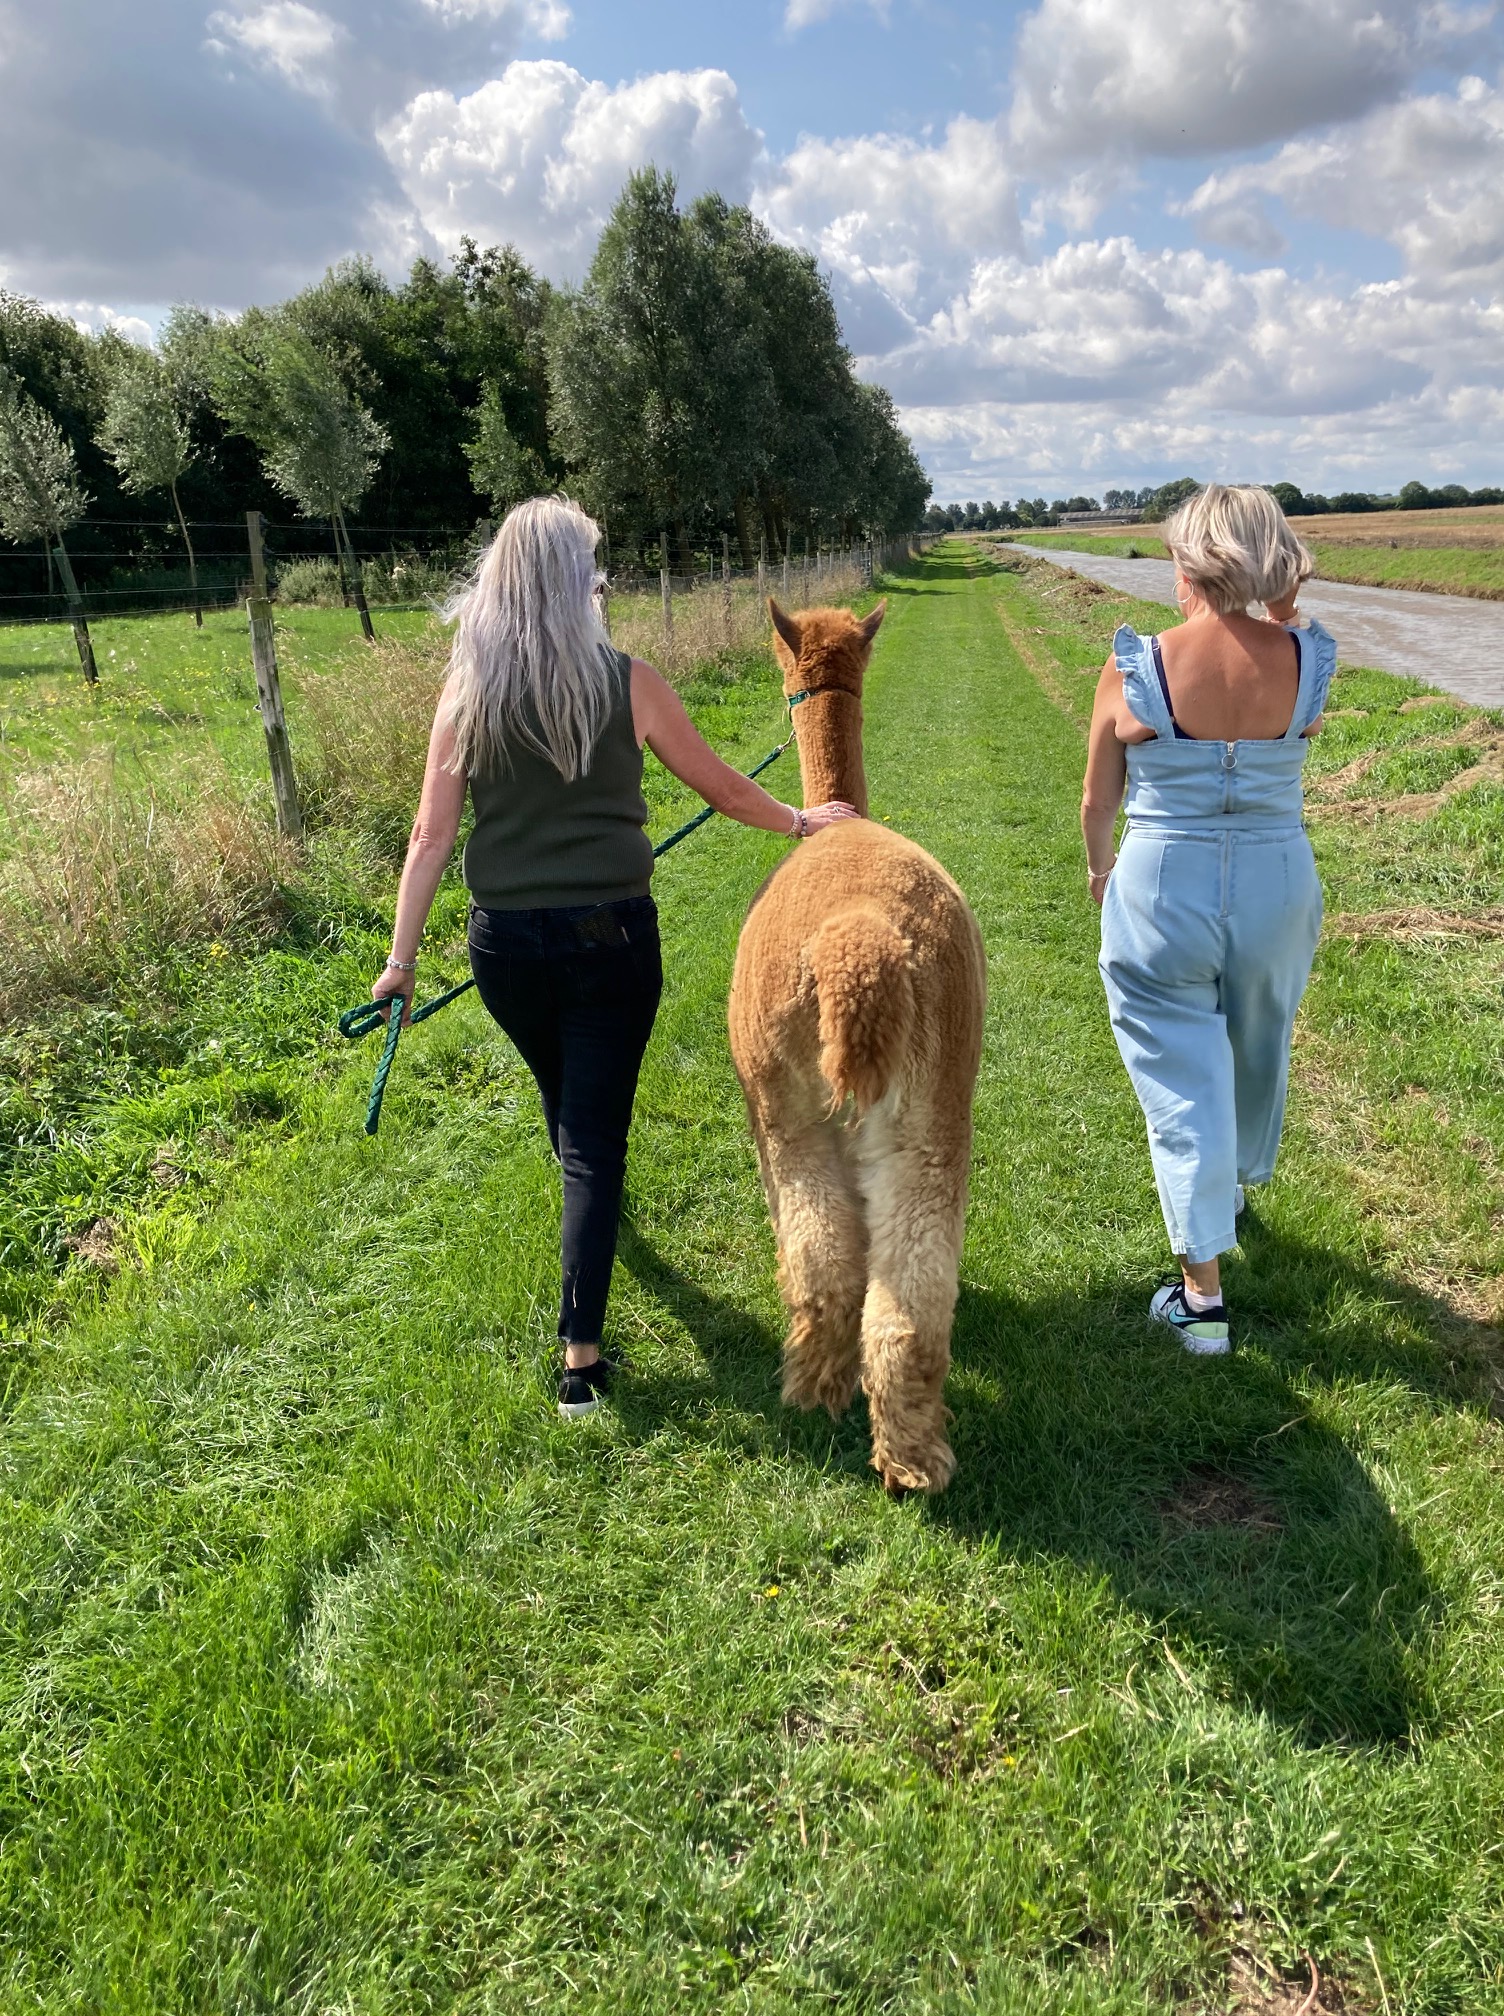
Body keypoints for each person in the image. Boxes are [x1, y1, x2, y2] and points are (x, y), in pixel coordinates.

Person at [371, 497, 857, 1417]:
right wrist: (801, 819)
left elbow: (429, 839)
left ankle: (584, 1233)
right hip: (610, 941)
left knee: (567, 1109)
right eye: (594, 568)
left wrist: (401, 960)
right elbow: (715, 784)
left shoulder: (466, 694)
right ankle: (582, 1359)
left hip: (504, 950)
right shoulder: (630, 681)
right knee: (595, 1140)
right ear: (574, 583)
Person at [1081, 483, 1335, 1353]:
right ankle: (1227, 1190)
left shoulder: (1137, 664)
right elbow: (1295, 690)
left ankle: (1201, 1300)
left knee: (1179, 1069)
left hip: (1163, 879)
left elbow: (1095, 800)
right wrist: (1287, 604)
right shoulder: (1307, 661)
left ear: (1187, 561)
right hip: (1275, 878)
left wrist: (1098, 869)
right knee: (1256, 1038)